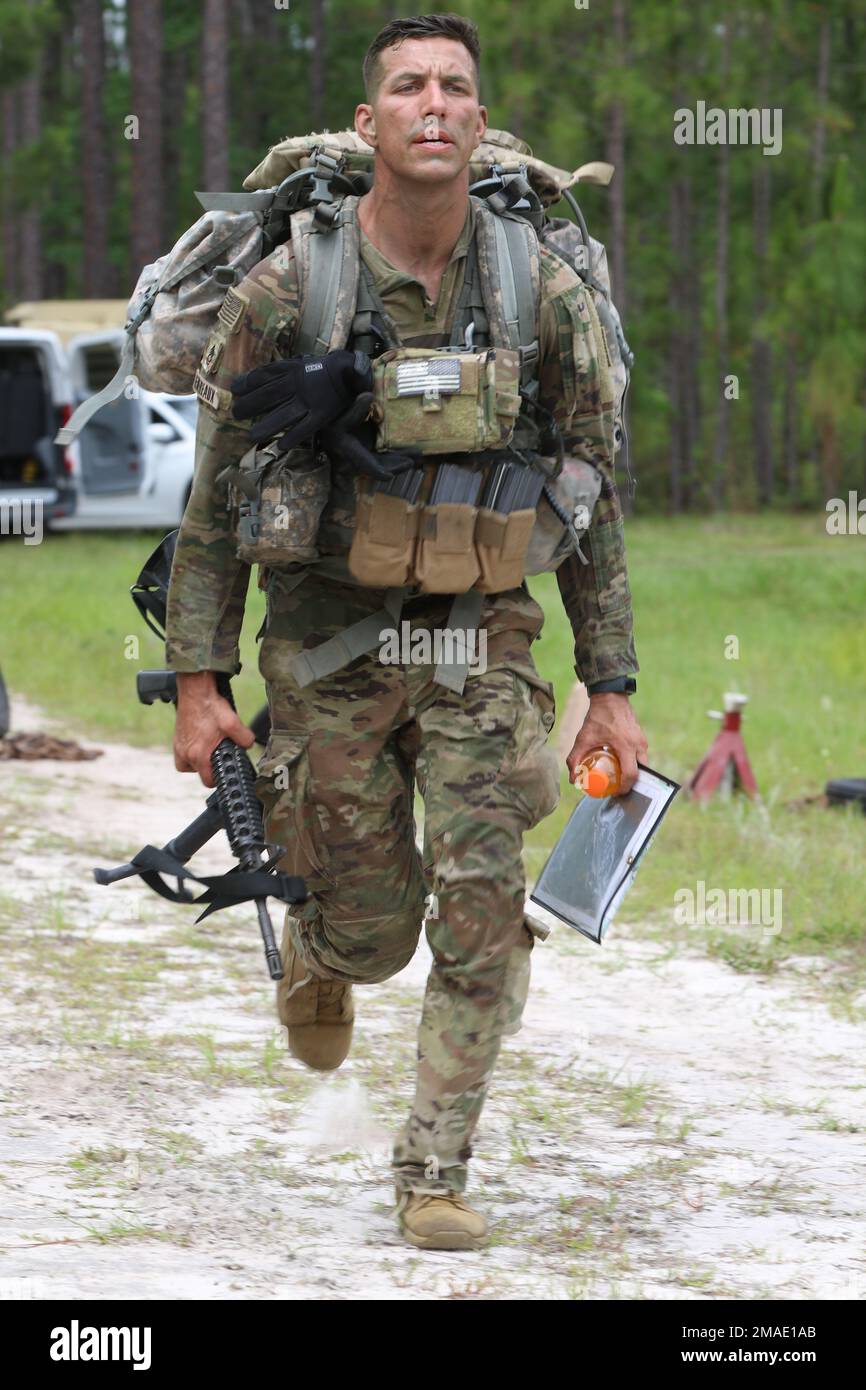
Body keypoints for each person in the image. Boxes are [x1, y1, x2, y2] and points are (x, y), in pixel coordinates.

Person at [164, 11, 647, 1252]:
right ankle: (319, 952)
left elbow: (592, 484)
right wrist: (197, 682)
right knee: (378, 933)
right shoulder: (292, 285)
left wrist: (610, 682)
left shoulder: (538, 287)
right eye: (406, 87)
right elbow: (214, 498)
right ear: (370, 123)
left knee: (480, 897)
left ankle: (431, 1171)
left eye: (455, 87)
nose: (432, 103)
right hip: (326, 643)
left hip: (479, 634)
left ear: (478, 124)